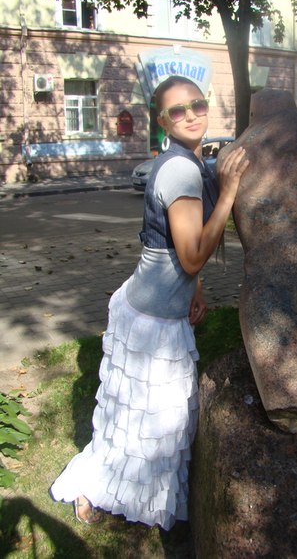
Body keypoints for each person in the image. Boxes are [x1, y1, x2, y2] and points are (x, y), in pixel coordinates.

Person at [50, 75, 249, 530]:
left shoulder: (186, 161)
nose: (191, 115)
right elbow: (192, 254)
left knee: (141, 417)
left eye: (197, 104)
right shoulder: (181, 170)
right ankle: (97, 486)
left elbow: (173, 245)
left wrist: (195, 288)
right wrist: (230, 192)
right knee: (149, 419)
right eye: (178, 110)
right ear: (162, 120)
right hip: (151, 322)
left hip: (151, 307)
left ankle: (116, 485)